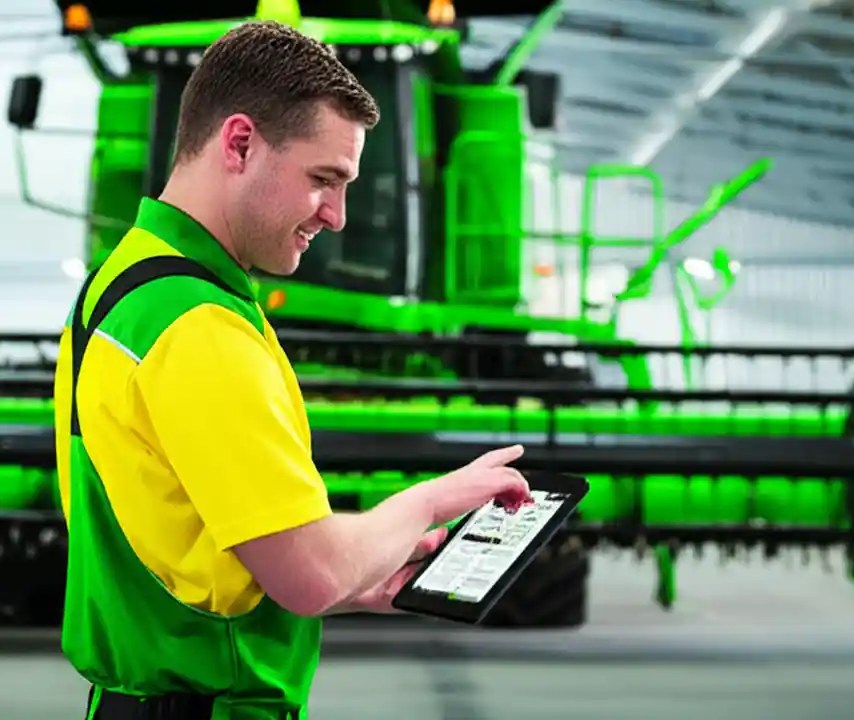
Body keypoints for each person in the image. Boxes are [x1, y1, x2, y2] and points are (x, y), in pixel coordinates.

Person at [52, 20, 533, 720]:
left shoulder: (116, 288)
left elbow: (182, 540)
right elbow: (309, 577)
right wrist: (430, 501)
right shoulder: (200, 327)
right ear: (240, 143)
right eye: (323, 180)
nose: (336, 216)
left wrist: (357, 578)